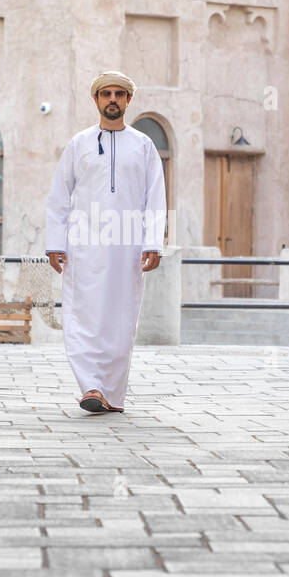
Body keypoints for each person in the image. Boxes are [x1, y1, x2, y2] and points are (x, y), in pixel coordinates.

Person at [45, 71, 166, 413]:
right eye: (105, 94)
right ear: (96, 100)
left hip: (126, 247)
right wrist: (56, 243)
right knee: (82, 314)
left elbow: (155, 197)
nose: (112, 99)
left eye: (119, 94)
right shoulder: (79, 144)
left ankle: (110, 394)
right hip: (83, 247)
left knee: (120, 317)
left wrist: (152, 243)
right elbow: (59, 197)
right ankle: (91, 387)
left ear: (129, 100)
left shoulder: (143, 145)